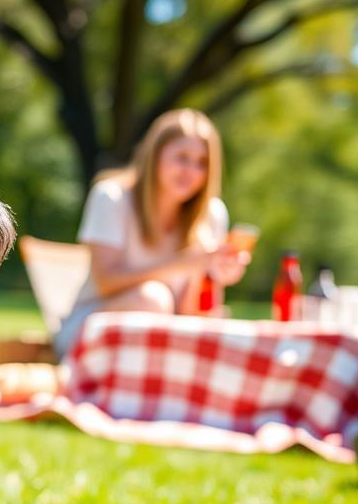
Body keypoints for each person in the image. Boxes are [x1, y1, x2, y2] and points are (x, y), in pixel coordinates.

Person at [54, 109, 250, 354]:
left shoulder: (212, 214)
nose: (191, 171)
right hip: (87, 335)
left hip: (164, 344)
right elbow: (105, 282)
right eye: (182, 157)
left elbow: (192, 312)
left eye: (202, 163)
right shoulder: (112, 198)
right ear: (155, 155)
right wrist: (183, 263)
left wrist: (213, 273)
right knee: (152, 299)